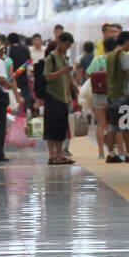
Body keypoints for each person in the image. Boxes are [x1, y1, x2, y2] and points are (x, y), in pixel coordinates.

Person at [105, 31, 129, 164]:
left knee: (112, 127)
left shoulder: (110, 55)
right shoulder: (123, 55)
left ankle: (111, 154)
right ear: (126, 41)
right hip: (123, 96)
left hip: (111, 96)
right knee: (127, 127)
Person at [43, 32, 75, 165]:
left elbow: (67, 80)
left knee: (61, 128)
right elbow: (47, 76)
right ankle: (52, 156)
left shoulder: (65, 58)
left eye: (69, 46)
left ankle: (60, 155)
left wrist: (69, 96)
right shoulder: (51, 58)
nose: (67, 48)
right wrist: (63, 71)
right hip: (52, 96)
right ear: (59, 42)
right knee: (51, 127)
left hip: (62, 98)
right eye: (66, 45)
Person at [86, 36, 113, 159]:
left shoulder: (97, 60)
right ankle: (118, 150)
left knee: (101, 125)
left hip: (99, 96)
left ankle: (101, 152)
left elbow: (88, 74)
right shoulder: (116, 59)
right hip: (114, 96)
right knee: (116, 124)